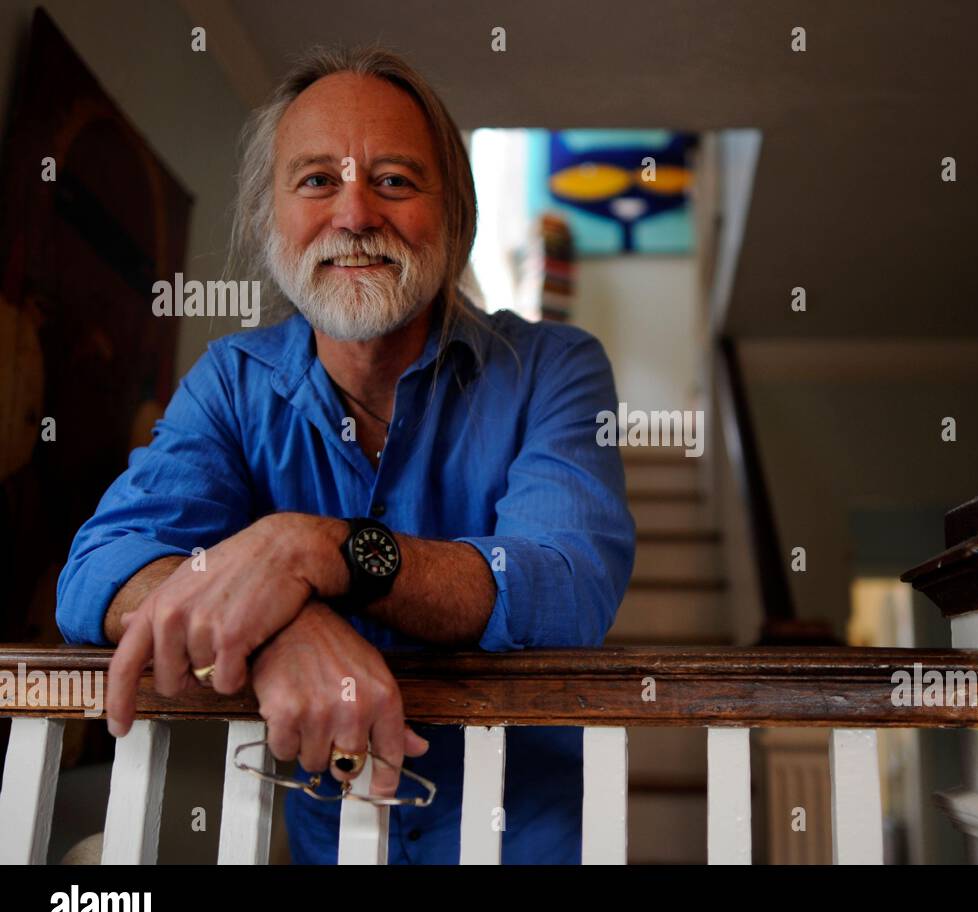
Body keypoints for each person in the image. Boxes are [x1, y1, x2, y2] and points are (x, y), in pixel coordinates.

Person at [55, 44, 635, 864]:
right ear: (270, 221)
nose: (355, 215)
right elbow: (100, 566)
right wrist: (287, 621)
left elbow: (565, 585)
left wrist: (314, 548)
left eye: (393, 180)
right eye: (318, 180)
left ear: (456, 216)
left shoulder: (555, 369)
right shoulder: (232, 383)